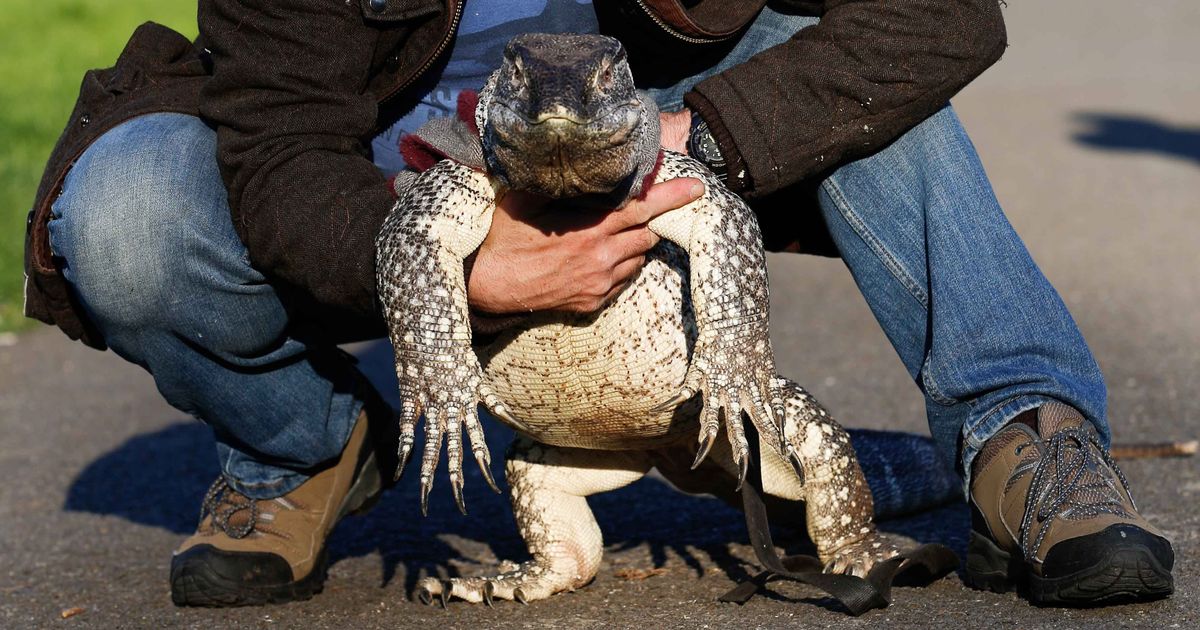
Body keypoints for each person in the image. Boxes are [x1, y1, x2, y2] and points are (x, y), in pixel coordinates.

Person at [23, 0, 1173, 609]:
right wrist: (463, 266)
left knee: (874, 67)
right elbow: (275, 144)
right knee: (125, 213)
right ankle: (305, 451)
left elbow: (944, 16)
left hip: (646, 116)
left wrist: (701, 135)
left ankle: (1019, 436)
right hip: (388, 154)